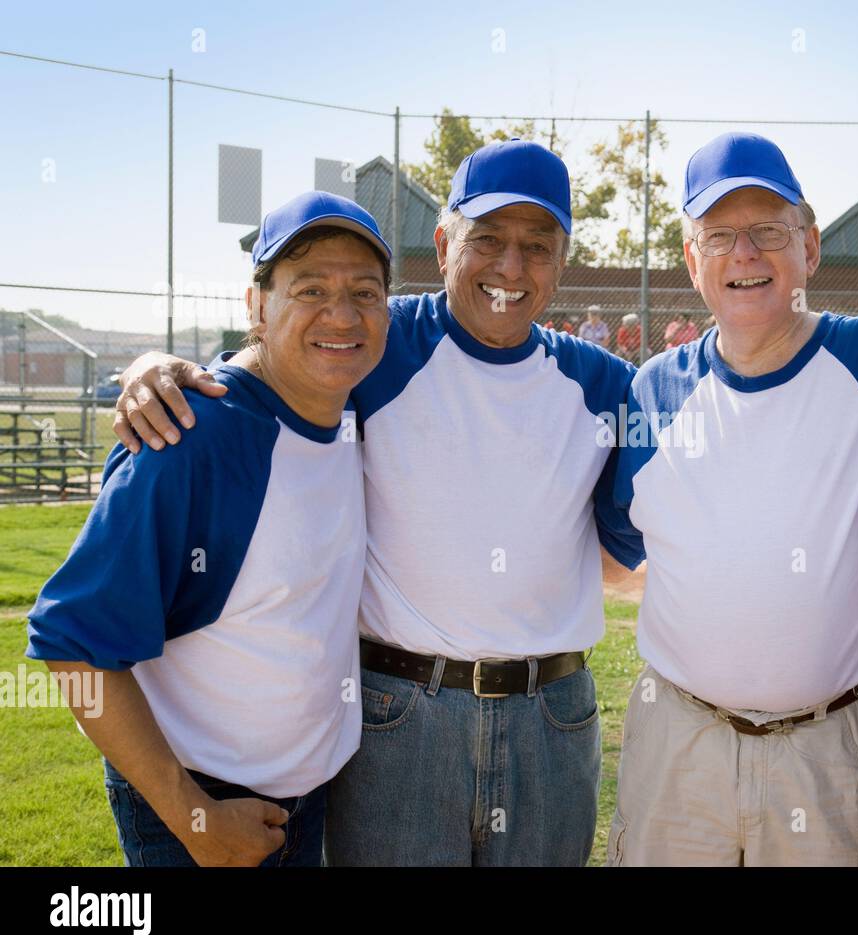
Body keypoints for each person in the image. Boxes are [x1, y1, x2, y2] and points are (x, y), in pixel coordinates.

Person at [109, 140, 644, 866]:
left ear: (563, 257)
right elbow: (277, 358)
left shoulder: (605, 385)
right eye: (487, 239)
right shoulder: (377, 337)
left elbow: (635, 537)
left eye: (537, 246)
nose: (510, 269)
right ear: (445, 241)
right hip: (401, 711)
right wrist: (154, 368)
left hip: (551, 714)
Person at [603, 133, 858, 866]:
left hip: (830, 747)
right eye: (719, 236)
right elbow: (618, 550)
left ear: (811, 247)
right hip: (679, 743)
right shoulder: (652, 391)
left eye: (769, 231)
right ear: (690, 259)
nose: (745, 254)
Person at [27, 191, 391, 866]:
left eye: (365, 292)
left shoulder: (355, 406)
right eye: (309, 288)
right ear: (256, 307)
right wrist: (192, 816)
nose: (342, 315)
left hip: (308, 798)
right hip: (199, 808)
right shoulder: (191, 435)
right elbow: (70, 643)